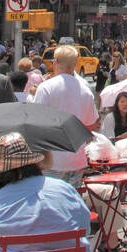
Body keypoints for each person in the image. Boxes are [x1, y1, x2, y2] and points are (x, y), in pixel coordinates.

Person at [33, 44, 99, 188]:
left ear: (55, 62)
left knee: (51, 201)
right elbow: (89, 125)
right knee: (71, 201)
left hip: (52, 158)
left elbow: (36, 122)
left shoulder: (46, 88)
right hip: (76, 159)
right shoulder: (85, 90)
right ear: (76, 64)